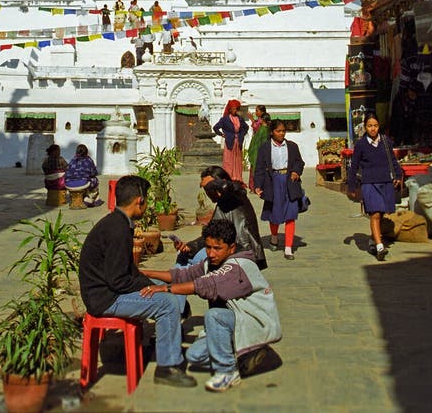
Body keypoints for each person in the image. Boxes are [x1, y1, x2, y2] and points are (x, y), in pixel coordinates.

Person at [79, 174, 197, 388]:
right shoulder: (118, 229)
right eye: (147, 200)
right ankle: (167, 367)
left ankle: (169, 333)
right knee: (167, 304)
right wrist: (153, 288)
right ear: (139, 201)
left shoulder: (117, 222)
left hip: (108, 287)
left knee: (161, 285)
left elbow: (125, 271)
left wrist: (150, 282)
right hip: (105, 298)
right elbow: (118, 281)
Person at [140, 220, 281, 393]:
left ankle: (228, 371)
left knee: (214, 315)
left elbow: (206, 286)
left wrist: (165, 289)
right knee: (194, 356)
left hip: (254, 323)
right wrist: (147, 273)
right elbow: (185, 275)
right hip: (233, 324)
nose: (211, 253)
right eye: (208, 247)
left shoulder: (238, 266)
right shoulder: (211, 263)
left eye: (217, 248)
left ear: (231, 248)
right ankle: (244, 356)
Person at [173, 166, 267, 270]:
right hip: (223, 250)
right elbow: (211, 234)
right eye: (206, 189)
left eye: (210, 187)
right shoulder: (221, 206)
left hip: (243, 251)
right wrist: (190, 246)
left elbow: (234, 187)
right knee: (183, 258)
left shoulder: (237, 197)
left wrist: (214, 184)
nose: (208, 192)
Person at [347, 113, 402, 261]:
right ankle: (379, 246)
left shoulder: (386, 141)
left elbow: (393, 160)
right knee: (375, 214)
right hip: (369, 183)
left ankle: (372, 239)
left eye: (375, 126)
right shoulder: (361, 144)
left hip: (385, 181)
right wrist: (351, 186)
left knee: (382, 213)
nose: (373, 129)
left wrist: (398, 175)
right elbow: (354, 166)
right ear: (365, 127)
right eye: (370, 126)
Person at [254, 119, 305, 261]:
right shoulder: (265, 148)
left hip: (289, 181)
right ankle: (274, 237)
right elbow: (259, 168)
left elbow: (299, 162)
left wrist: (296, 172)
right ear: (272, 132)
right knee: (274, 213)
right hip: (273, 182)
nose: (281, 133)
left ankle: (288, 248)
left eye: (283, 131)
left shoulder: (292, 146)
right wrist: (257, 186)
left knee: (290, 214)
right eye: (278, 131)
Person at [213, 99, 249, 182]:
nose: (234, 111)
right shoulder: (225, 119)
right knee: (228, 160)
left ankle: (237, 177)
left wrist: (241, 135)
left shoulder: (239, 118)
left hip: (238, 142)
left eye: (236, 109)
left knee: (237, 159)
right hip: (230, 142)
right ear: (229, 109)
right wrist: (222, 134)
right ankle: (228, 177)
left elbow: (246, 127)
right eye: (233, 109)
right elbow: (216, 128)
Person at [247, 106, 271, 191]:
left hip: (259, 146)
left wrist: (252, 120)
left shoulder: (263, 123)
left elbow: (257, 129)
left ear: (262, 112)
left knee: (257, 166)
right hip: (256, 145)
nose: (256, 112)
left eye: (257, 111)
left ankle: (256, 185)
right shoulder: (261, 121)